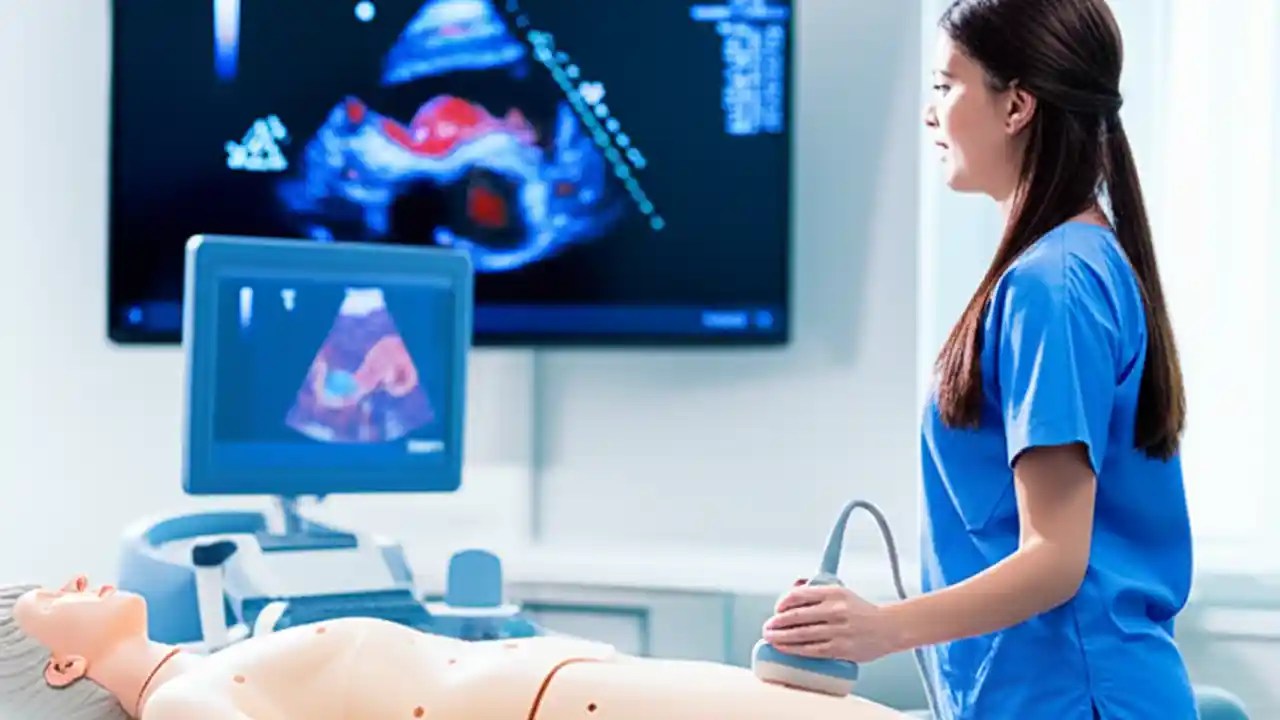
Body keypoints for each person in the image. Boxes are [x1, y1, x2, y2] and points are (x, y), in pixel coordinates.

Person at [762, 1, 1195, 718]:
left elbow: (1054, 560)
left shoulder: (1050, 285)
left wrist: (879, 628)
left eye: (945, 85)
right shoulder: (1079, 264)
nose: (932, 114)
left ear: (1016, 105)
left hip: (1075, 698)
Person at [0, 576, 911, 720]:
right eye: (46, 597)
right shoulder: (176, 702)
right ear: (60, 666)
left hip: (598, 687)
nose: (73, 580)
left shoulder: (213, 660)